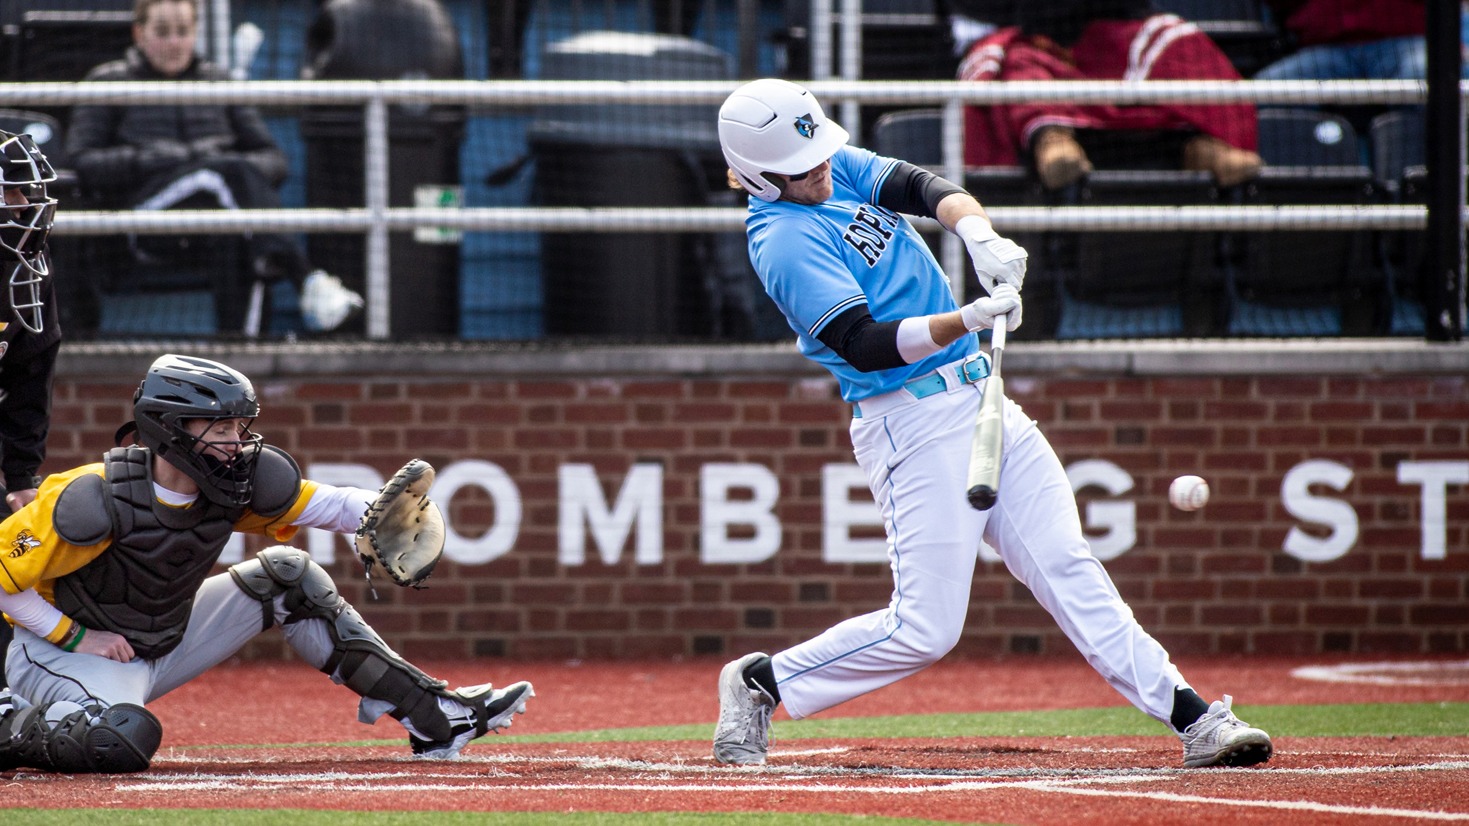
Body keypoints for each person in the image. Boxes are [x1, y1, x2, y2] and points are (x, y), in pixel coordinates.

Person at [711, 78, 1273, 770]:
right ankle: (762, 682)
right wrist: (967, 318)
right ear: (761, 177)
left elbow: (919, 186)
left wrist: (978, 233)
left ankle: (1195, 721)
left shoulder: (823, 165)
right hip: (908, 420)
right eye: (801, 170)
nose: (822, 169)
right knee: (925, 628)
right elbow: (863, 342)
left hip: (980, 399)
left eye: (821, 155)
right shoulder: (782, 240)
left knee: (1069, 566)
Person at [0, 354, 533, 773]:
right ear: (169, 427)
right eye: (221, 428)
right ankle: (10, 721)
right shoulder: (88, 495)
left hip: (155, 640)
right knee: (120, 739)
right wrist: (74, 637)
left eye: (240, 427)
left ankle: (434, 716)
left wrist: (378, 511)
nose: (237, 443)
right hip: (62, 657)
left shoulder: (229, 484)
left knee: (288, 574)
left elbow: (326, 503)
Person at [65, 0, 364, 337]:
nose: (174, 42)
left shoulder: (217, 80)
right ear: (139, 33)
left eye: (183, 31)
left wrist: (225, 165)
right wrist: (155, 158)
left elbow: (274, 158)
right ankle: (308, 280)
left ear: (195, 33)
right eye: (162, 32)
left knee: (247, 236)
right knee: (224, 173)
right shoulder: (109, 81)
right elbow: (81, 161)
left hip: (216, 214)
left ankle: (244, 362)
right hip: (143, 222)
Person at [957, 0, 1262, 189]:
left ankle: (1206, 149)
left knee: (1179, 41)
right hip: (1046, 39)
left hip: (1117, 32)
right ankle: (1053, 143)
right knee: (1013, 64)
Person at [0, 130, 65, 690]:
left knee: (11, 543)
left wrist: (20, 473)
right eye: (12, 194)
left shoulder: (26, 266)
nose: (25, 206)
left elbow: (29, 374)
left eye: (28, 193)